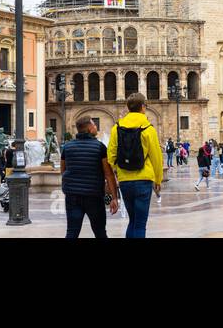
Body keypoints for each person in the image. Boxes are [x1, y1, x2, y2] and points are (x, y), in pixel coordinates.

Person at [107, 93, 164, 238]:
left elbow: (111, 156)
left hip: (125, 181)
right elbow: (156, 158)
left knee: (132, 221)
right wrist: (158, 179)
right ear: (143, 107)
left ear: (128, 108)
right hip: (143, 180)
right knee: (140, 224)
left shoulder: (116, 128)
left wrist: (118, 171)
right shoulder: (148, 129)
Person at [60, 117, 118, 238]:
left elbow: (63, 171)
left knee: (72, 232)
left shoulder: (67, 147)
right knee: (100, 232)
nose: (96, 127)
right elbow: (108, 174)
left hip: (73, 196)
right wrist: (114, 197)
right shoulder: (100, 147)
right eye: (94, 125)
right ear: (89, 128)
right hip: (94, 196)